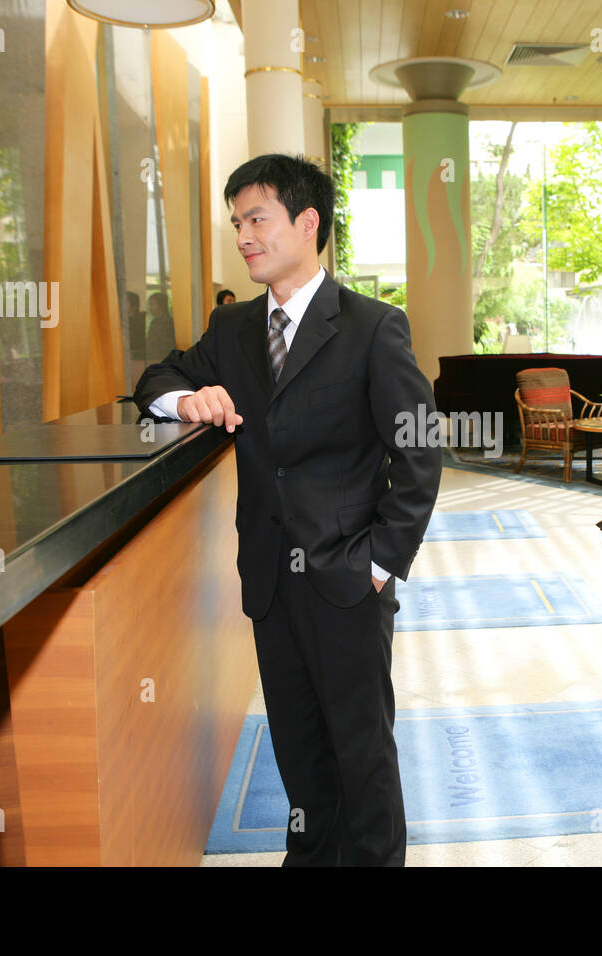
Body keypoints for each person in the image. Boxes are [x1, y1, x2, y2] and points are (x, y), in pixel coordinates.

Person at [134, 153, 441, 866]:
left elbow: (420, 452)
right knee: (298, 751)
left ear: (308, 224)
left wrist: (378, 563)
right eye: (237, 221)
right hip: (270, 578)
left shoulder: (371, 326)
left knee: (361, 753)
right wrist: (188, 399)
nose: (243, 235)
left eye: (257, 219)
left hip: (346, 579)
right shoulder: (234, 328)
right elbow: (156, 376)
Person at [144, 291, 177, 362]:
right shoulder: (155, 321)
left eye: (152, 304)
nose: (150, 308)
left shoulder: (168, 322)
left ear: (161, 305)